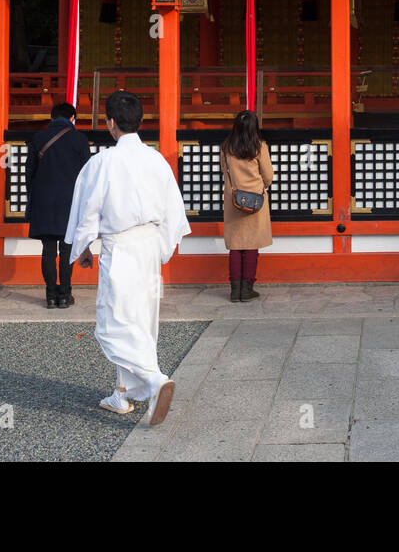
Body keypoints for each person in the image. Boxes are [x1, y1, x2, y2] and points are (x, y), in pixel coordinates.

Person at [65, 90, 190, 424]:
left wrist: (84, 246)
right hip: (148, 244)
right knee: (141, 318)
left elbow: (89, 209)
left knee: (113, 323)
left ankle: (153, 380)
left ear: (110, 124)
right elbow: (172, 210)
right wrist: (160, 247)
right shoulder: (156, 160)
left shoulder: (103, 162)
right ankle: (122, 393)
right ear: (141, 121)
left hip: (119, 246)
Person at [25, 102, 92, 309]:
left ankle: (50, 296)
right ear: (72, 118)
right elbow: (86, 175)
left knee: (47, 250)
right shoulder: (79, 139)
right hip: (69, 201)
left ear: (52, 118)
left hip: (44, 199)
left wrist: (33, 196)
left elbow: (29, 173)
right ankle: (65, 295)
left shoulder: (38, 138)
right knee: (66, 249)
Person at [220, 110, 273, 302]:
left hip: (233, 199)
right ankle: (247, 289)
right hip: (255, 201)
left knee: (235, 245)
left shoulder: (226, 147)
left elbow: (225, 173)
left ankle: (234, 290)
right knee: (252, 244)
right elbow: (268, 176)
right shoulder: (259, 147)